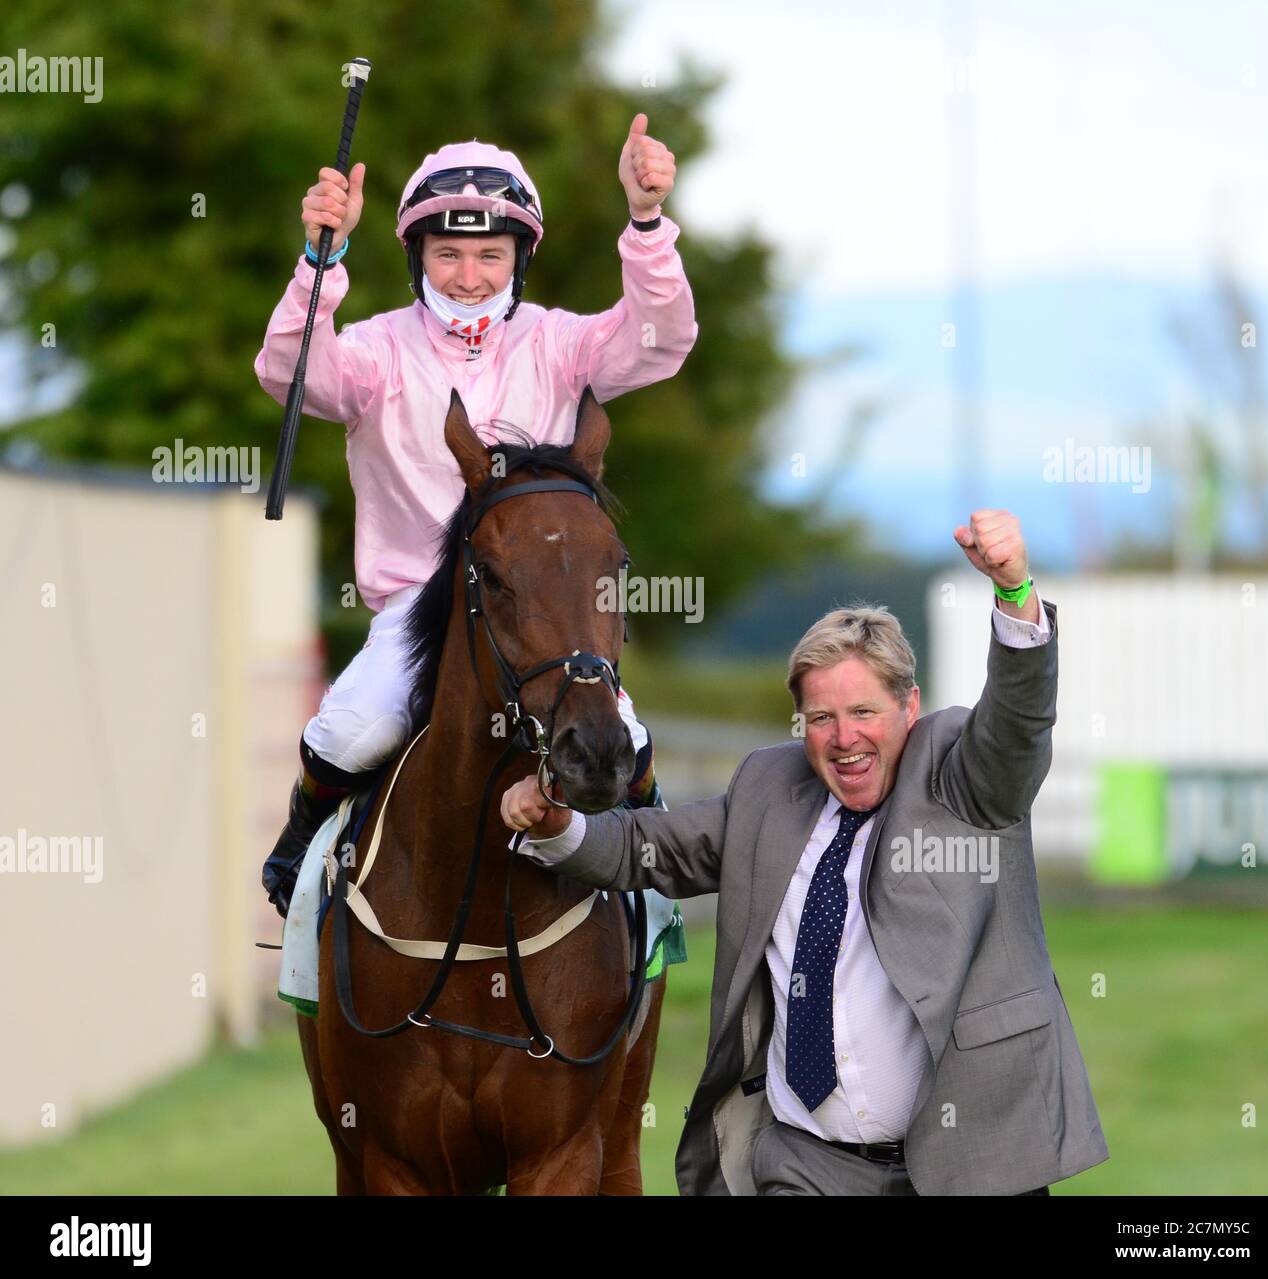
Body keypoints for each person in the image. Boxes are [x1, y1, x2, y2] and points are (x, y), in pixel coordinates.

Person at [502, 509, 1110, 1196]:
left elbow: (1018, 725)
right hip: (805, 1166)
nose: (843, 737)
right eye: (821, 718)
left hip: (966, 1166)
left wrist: (1013, 593)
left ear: (909, 708)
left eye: (864, 714)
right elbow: (649, 848)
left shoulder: (959, 772)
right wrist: (557, 826)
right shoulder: (771, 788)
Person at [254, 115, 696, 916]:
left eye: (489, 255)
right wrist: (320, 259)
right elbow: (292, 376)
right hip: (414, 612)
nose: (467, 276)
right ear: (418, 255)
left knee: (622, 743)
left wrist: (646, 224)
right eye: (447, 253)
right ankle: (299, 862)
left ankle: (653, 892)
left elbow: (662, 340)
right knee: (347, 732)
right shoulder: (376, 350)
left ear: (519, 258)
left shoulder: (564, 342)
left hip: (544, 612)